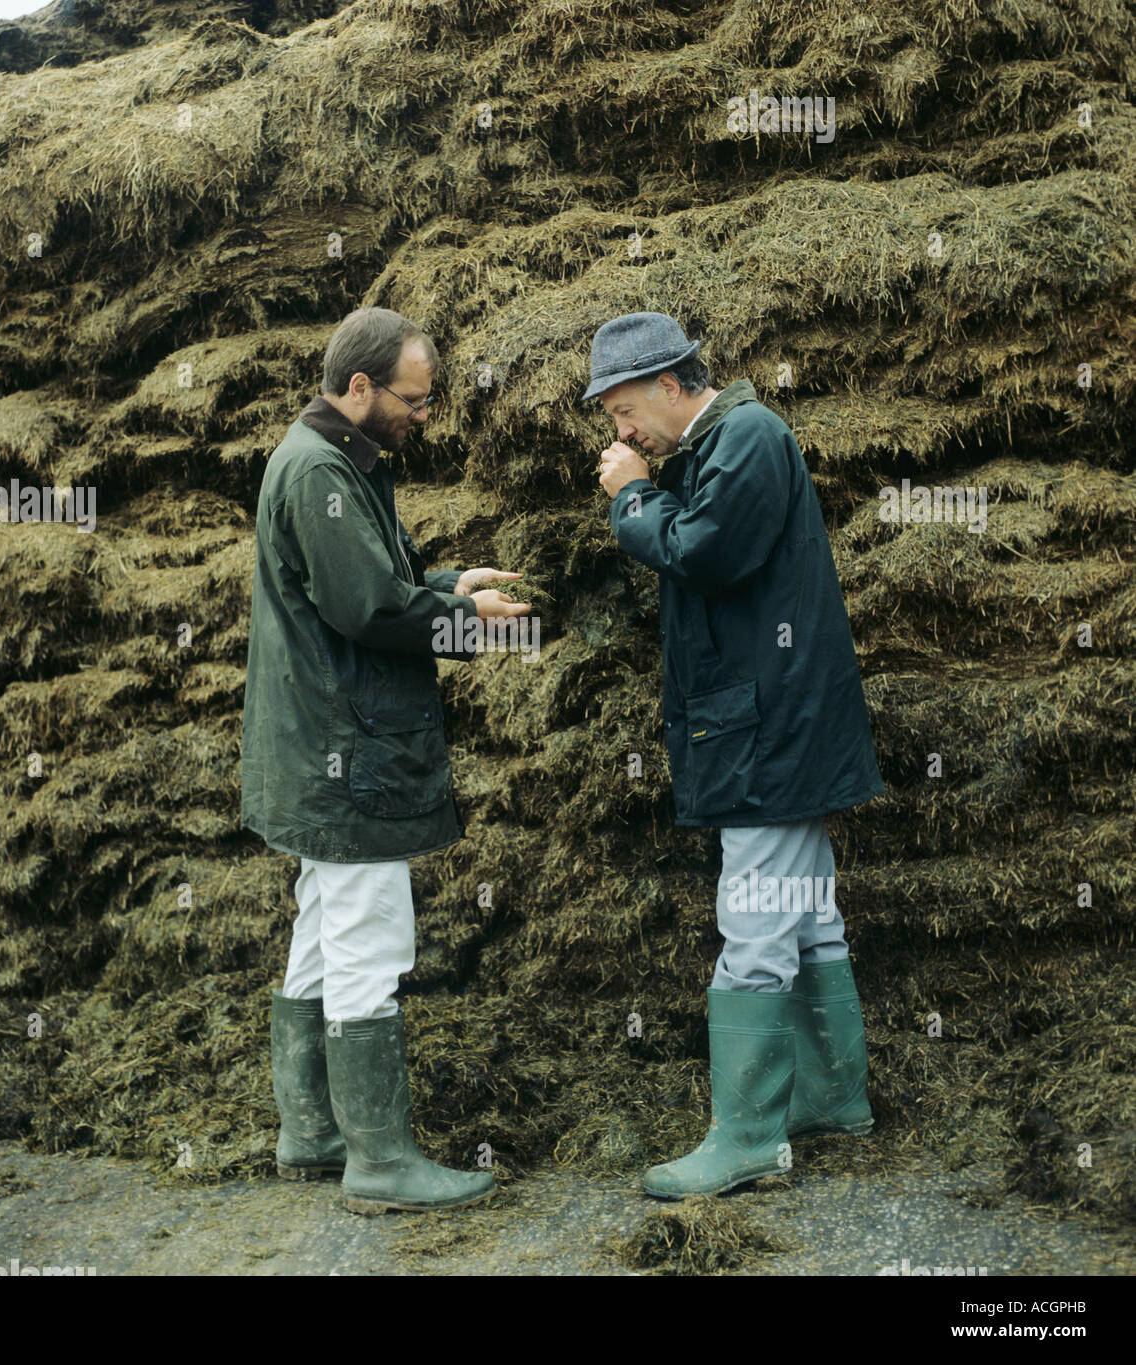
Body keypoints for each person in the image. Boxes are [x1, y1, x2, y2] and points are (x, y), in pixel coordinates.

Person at [587, 312, 885, 1197]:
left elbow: (704, 551)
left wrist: (633, 494)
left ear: (673, 383)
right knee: (802, 911)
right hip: (772, 726)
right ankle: (830, 1096)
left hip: (773, 734)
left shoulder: (747, 435)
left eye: (624, 411)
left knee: (754, 920)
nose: (621, 433)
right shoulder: (723, 445)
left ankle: (749, 1138)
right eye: (612, 422)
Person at [241, 306, 529, 1214]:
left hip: (324, 742)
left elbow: (378, 582)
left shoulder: (333, 460)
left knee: (324, 926)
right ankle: (380, 1161)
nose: (426, 413)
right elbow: (366, 610)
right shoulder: (320, 470)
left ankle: (313, 1131)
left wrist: (449, 584)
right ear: (357, 387)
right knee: (368, 933)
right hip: (348, 747)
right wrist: (467, 625)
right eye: (413, 398)